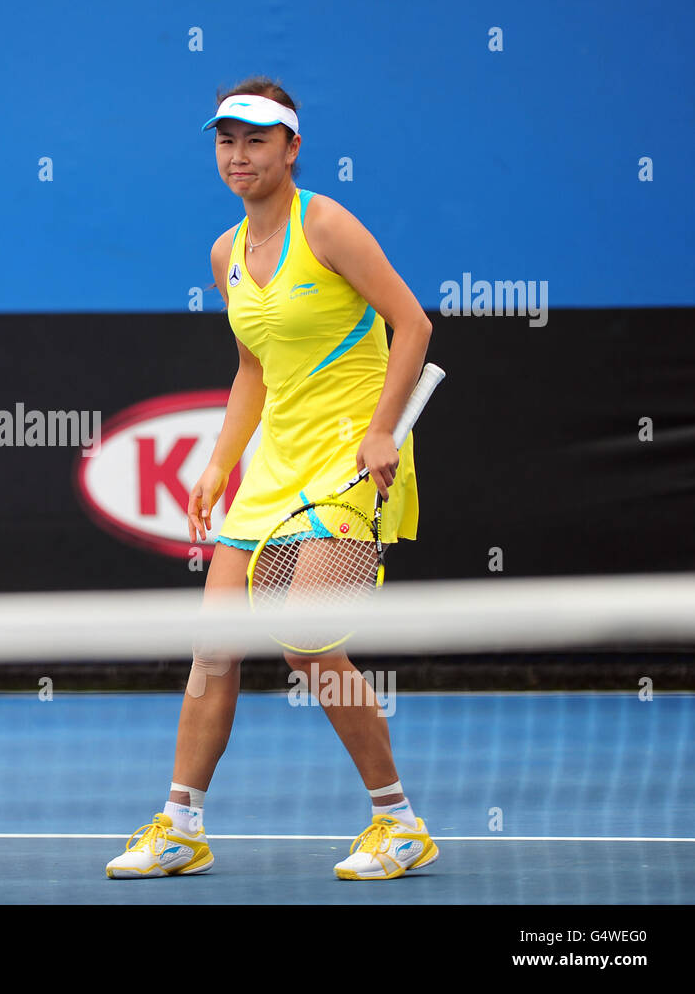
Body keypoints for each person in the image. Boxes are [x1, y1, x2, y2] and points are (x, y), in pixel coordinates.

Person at [106, 77, 436, 881]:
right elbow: (254, 366)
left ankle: (398, 823)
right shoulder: (225, 252)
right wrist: (220, 459)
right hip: (275, 467)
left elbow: (415, 322)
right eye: (227, 139)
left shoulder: (324, 224)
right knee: (214, 647)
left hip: (350, 460)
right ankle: (181, 823)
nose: (239, 155)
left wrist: (383, 427)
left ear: (292, 148)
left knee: (307, 641)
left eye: (257, 139)